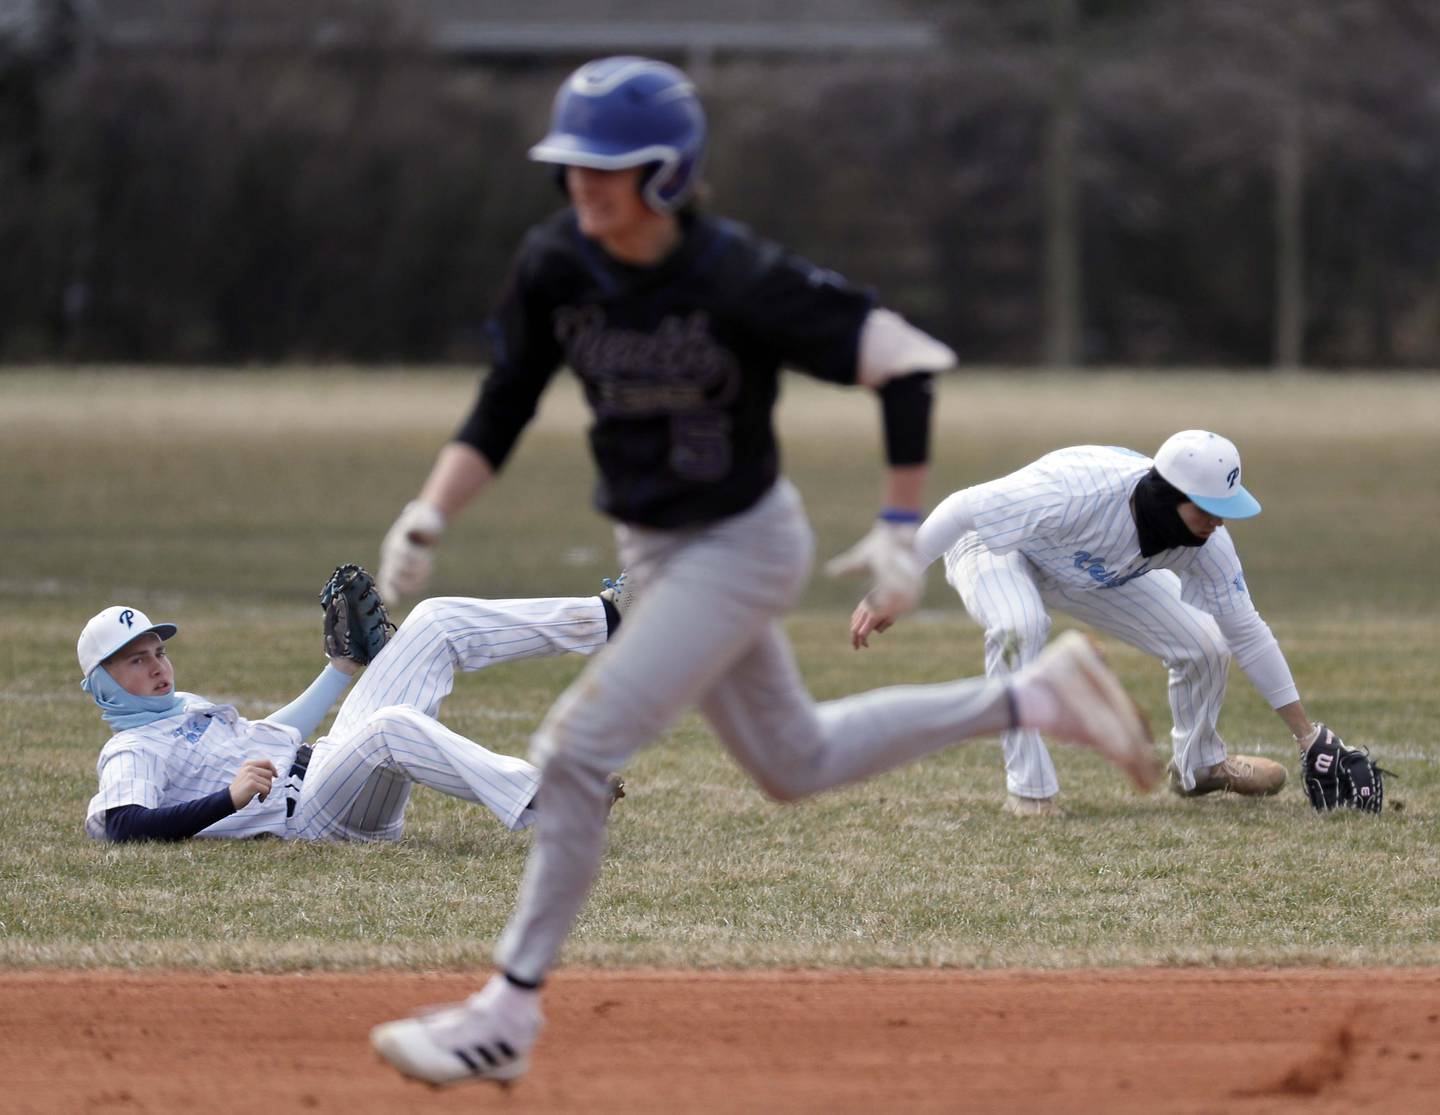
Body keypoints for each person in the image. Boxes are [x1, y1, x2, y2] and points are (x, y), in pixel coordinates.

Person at [368, 55, 1159, 1088]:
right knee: (795, 759)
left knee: (572, 751)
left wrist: (896, 519)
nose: (584, 187)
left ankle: (506, 1012)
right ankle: (1033, 696)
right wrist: (431, 509)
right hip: (656, 550)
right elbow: (506, 399)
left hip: (741, 545)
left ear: (669, 172)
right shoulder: (557, 261)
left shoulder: (733, 273)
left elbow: (906, 359)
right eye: (572, 166)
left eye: (611, 167)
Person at [850, 429, 1338, 817]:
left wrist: (1306, 735)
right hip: (998, 546)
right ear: (1168, 496)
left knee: (1206, 645)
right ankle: (1031, 792)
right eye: (1211, 510)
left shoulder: (1205, 543)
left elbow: (1246, 631)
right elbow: (961, 508)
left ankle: (1201, 768)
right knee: (1020, 626)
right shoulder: (1075, 490)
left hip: (1091, 570)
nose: (1220, 523)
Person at [80, 579, 631, 844]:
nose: (156, 667)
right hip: (315, 818)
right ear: (104, 686)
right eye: (134, 661)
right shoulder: (132, 747)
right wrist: (227, 799)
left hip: (326, 771)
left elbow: (280, 733)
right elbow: (124, 826)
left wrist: (341, 669)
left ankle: (611, 616)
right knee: (389, 729)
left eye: (158, 652)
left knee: (434, 620)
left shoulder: (183, 709)